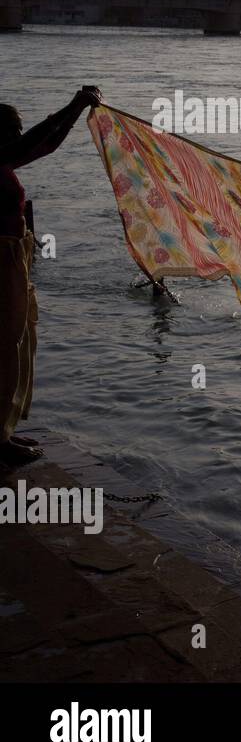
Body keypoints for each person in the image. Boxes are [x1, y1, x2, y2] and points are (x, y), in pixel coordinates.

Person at [0, 86, 102, 467]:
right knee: (4, 348)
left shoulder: (4, 160)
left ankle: (4, 429)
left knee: (15, 341)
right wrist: (72, 105)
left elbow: (43, 144)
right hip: (2, 261)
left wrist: (74, 112)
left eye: (16, 131)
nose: (16, 137)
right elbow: (34, 141)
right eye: (11, 130)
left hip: (11, 259)